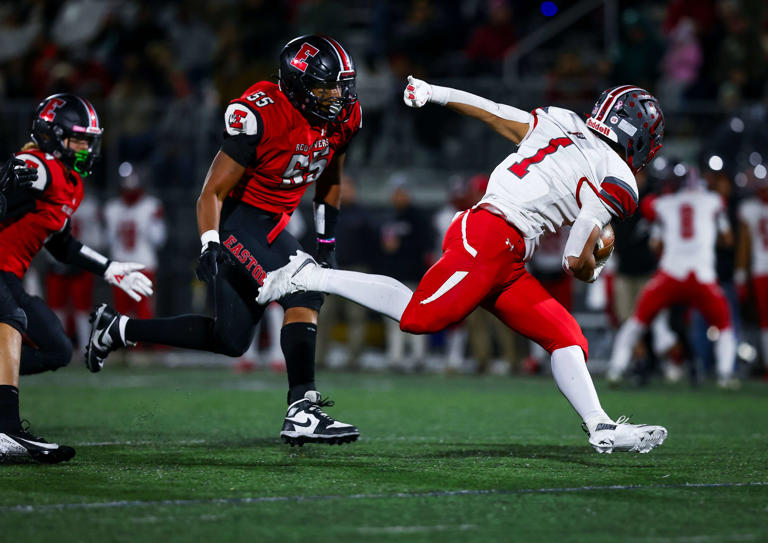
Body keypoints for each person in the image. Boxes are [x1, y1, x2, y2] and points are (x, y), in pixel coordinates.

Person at [259, 78, 669, 454]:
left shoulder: (560, 120)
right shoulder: (618, 178)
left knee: (566, 336)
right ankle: (309, 275)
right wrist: (596, 264)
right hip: (492, 237)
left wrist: (433, 92)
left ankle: (601, 425)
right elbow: (573, 259)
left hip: (502, 248)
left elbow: (492, 110)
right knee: (420, 317)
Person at [86, 35, 363, 446]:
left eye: (341, 84)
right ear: (297, 84)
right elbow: (211, 192)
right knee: (304, 290)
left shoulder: (344, 116)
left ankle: (118, 329)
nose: (337, 95)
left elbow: (331, 177)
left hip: (271, 225)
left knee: (230, 339)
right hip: (236, 221)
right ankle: (302, 409)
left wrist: (327, 240)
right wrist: (210, 241)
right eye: (325, 87)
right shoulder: (260, 112)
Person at [0, 94, 154, 463]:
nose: (86, 147)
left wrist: (109, 268)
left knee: (55, 347)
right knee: (13, 321)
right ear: (51, 136)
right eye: (78, 139)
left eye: (89, 140)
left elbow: (62, 244)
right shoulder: (37, 164)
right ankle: (5, 429)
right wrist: (7, 176)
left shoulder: (71, 182)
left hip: (10, 274)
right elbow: (21, 171)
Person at [607, 167, 737, 388]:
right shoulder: (714, 201)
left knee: (637, 321)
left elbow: (656, 244)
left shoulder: (662, 204)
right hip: (702, 275)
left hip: (671, 273)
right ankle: (725, 375)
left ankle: (616, 369)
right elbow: (727, 239)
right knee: (724, 326)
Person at [103, 165, 166, 320]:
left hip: (142, 265)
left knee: (143, 312)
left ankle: (143, 344)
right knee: (121, 313)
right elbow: (107, 240)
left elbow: (159, 238)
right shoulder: (111, 208)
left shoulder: (151, 206)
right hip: (121, 265)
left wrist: (152, 224)